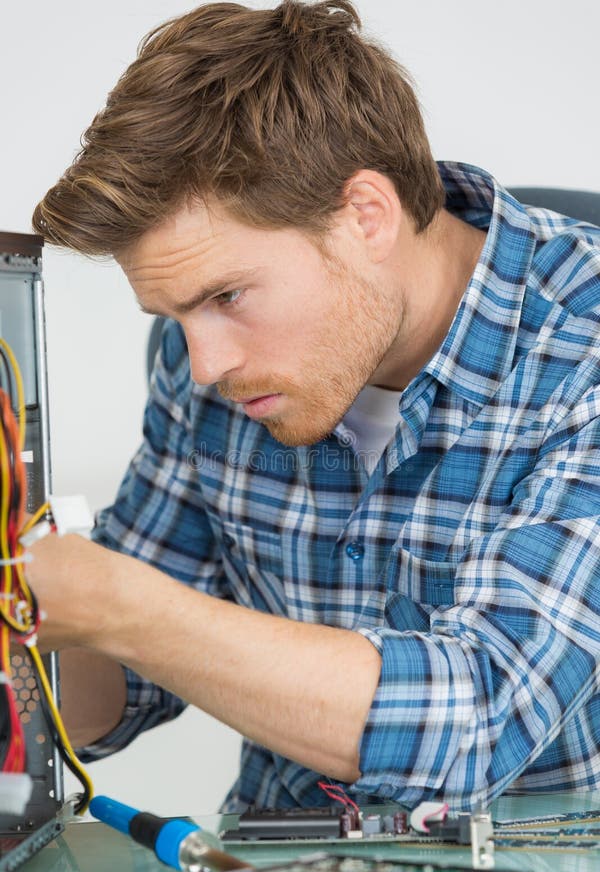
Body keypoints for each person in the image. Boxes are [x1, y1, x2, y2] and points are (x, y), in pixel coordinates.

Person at [28, 0, 600, 814]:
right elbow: (125, 684)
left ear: (366, 215)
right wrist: (37, 619)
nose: (202, 367)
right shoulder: (212, 365)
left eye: (227, 294)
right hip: (275, 863)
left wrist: (120, 606)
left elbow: (480, 719)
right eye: (177, 317)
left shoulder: (583, 353)